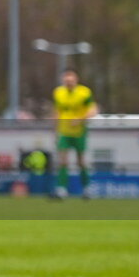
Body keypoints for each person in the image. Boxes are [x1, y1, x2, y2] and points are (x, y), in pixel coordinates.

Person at [52, 68, 98, 199]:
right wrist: (55, 131)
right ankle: (62, 190)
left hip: (79, 132)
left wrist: (80, 119)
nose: (69, 83)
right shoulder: (58, 93)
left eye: (71, 80)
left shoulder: (84, 93)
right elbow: (57, 112)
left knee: (81, 161)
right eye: (66, 80)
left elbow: (93, 110)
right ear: (63, 80)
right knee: (63, 160)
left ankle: (87, 188)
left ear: (76, 80)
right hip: (64, 131)